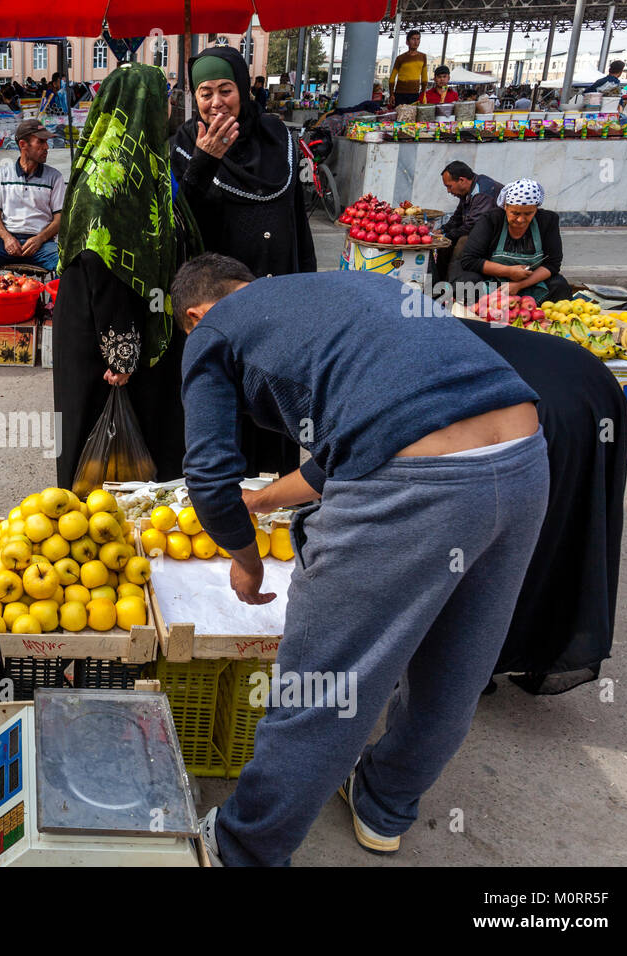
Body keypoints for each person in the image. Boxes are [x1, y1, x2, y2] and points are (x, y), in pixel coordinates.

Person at [171, 257, 547, 866]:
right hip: (524, 458)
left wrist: (248, 561)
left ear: (194, 314)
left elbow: (210, 478)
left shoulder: (212, 329)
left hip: (416, 487)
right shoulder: (342, 290)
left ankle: (244, 849)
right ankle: (383, 807)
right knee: (456, 668)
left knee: (324, 683)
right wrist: (264, 500)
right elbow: (362, 436)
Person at [458, 319, 627, 695]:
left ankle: (483, 661)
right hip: (589, 382)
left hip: (534, 404)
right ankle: (541, 651)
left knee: (506, 538)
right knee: (571, 518)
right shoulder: (405, 326)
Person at [170, 45, 314, 476]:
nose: (216, 103)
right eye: (205, 93)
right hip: (222, 302)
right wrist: (205, 162)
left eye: (226, 90)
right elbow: (180, 224)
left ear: (244, 90)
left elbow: (297, 222)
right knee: (226, 399)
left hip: (279, 294)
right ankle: (224, 501)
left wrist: (306, 293)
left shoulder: (279, 139)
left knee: (277, 396)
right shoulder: (182, 144)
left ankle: (277, 496)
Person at [53, 63, 186, 489]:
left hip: (108, 316)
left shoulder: (120, 156)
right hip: (103, 327)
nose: (169, 109)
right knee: (97, 426)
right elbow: (98, 258)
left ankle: (123, 519)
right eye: (164, 100)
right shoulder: (114, 169)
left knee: (122, 435)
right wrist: (122, 349)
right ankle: (92, 522)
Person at [0, 119, 65, 275]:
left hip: (42, 245)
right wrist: (7, 238)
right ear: (23, 145)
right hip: (6, 243)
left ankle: (54, 300)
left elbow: (59, 219)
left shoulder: (54, 177)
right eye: (41, 142)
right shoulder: (3, 174)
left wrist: (40, 239)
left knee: (65, 262)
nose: (46, 147)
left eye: (46, 142)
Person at [455, 178, 570, 306]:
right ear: (505, 206)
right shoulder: (491, 220)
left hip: (530, 284)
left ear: (536, 209)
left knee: (559, 285)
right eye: (515, 213)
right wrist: (508, 271)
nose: (521, 219)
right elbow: (469, 260)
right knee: (467, 283)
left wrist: (519, 284)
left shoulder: (547, 221)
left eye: (528, 213)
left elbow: (552, 263)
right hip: (492, 284)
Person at [435, 161, 503, 281]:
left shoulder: (482, 193)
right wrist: (443, 230)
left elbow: (473, 226)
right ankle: (439, 281)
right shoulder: (468, 191)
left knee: (462, 242)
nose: (448, 191)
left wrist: (446, 236)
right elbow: (457, 217)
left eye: (449, 186)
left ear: (461, 180)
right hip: (480, 231)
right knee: (445, 244)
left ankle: (452, 284)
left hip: (496, 236)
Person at [389, 30, 427, 105]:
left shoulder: (423, 57)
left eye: (418, 39)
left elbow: (424, 78)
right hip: (400, 94)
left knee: (412, 116)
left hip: (415, 94)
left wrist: (423, 94)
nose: (416, 42)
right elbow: (392, 78)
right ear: (407, 42)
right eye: (413, 39)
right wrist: (391, 94)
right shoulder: (400, 58)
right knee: (401, 115)